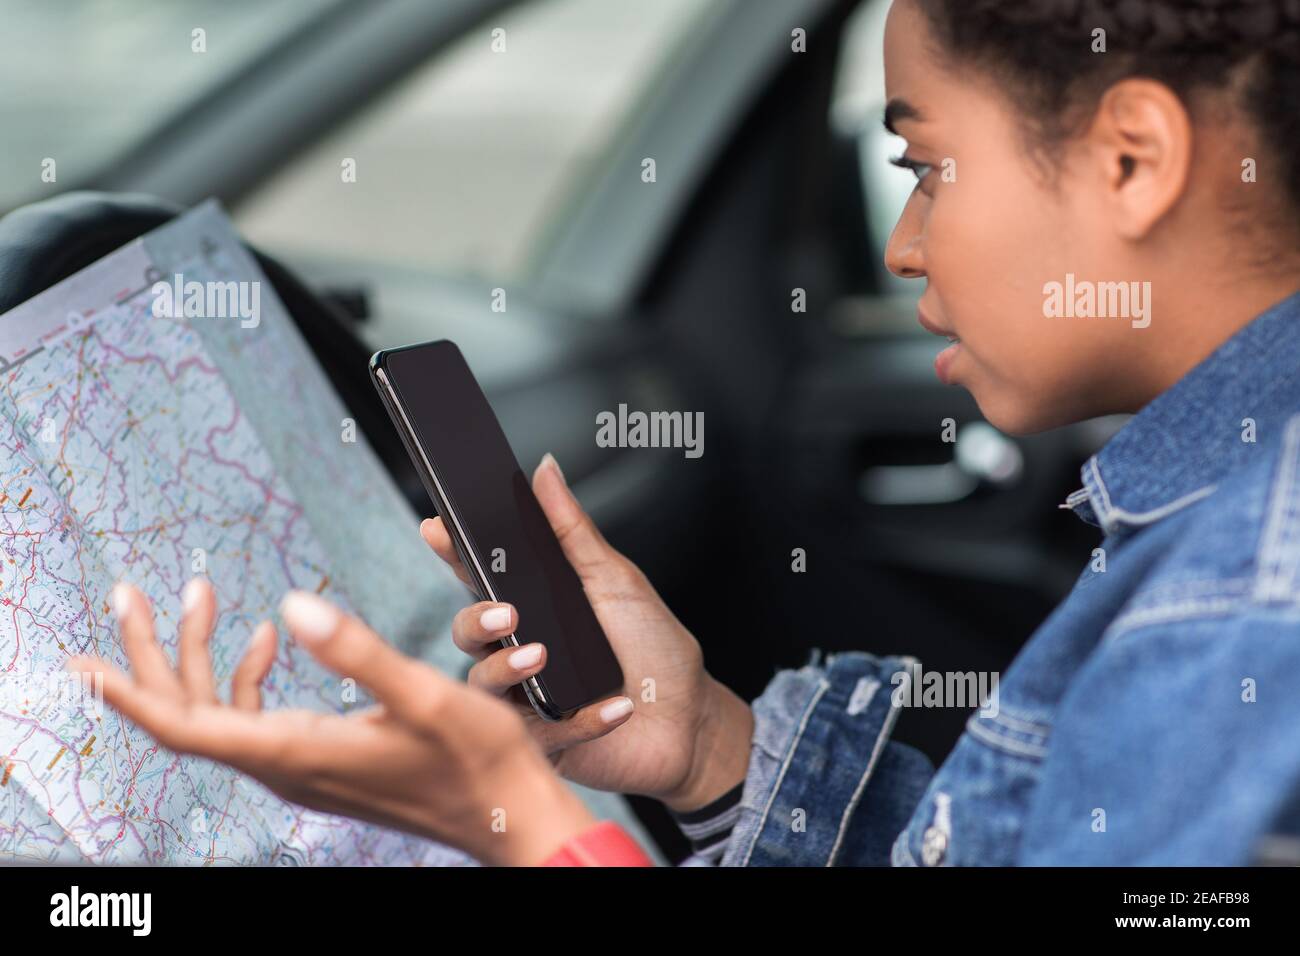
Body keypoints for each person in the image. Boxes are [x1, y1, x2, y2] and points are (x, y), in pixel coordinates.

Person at [75, 0, 1300, 866]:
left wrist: (515, 814)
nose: (901, 244)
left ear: (1132, 159)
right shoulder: (1225, 528)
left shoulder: (1245, 610)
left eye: (925, 165)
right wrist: (709, 745)